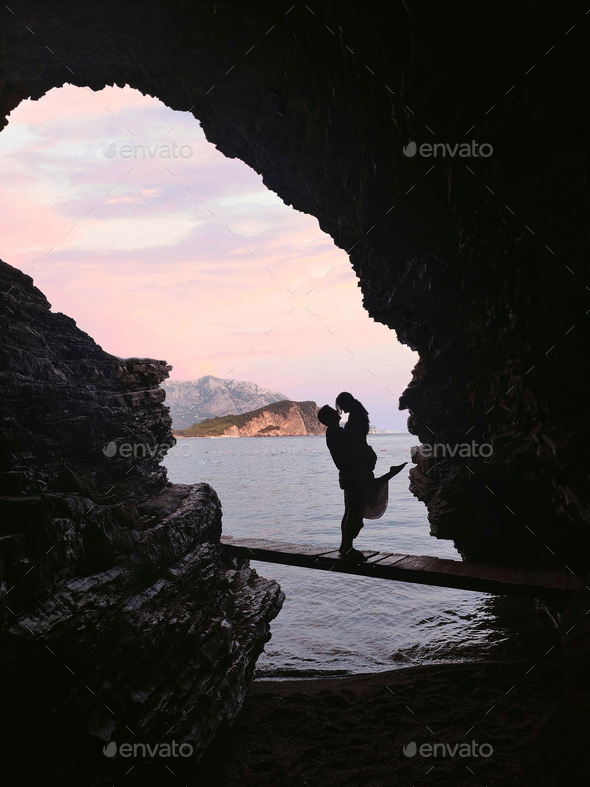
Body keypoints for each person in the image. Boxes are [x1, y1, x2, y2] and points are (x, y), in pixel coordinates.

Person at [317, 404, 406, 560]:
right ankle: (348, 548)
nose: (337, 412)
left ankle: (345, 546)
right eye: (333, 412)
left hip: (349, 476)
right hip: (353, 477)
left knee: (349, 512)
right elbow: (351, 451)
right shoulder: (336, 433)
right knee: (353, 513)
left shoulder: (335, 432)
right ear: (329, 418)